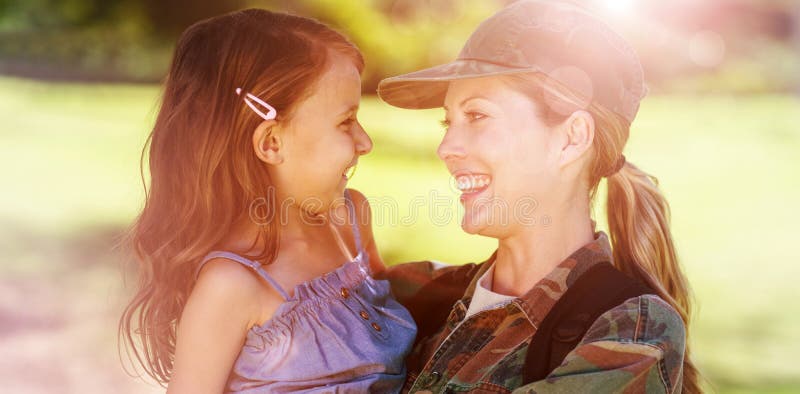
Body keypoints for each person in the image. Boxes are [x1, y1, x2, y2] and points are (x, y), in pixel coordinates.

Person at [377, 1, 700, 392]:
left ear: (572, 138)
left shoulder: (630, 332)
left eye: (476, 115)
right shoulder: (415, 292)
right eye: (448, 122)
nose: (446, 148)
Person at [118, 9, 416, 393]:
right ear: (271, 142)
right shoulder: (231, 286)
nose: (366, 142)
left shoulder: (351, 219)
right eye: (346, 122)